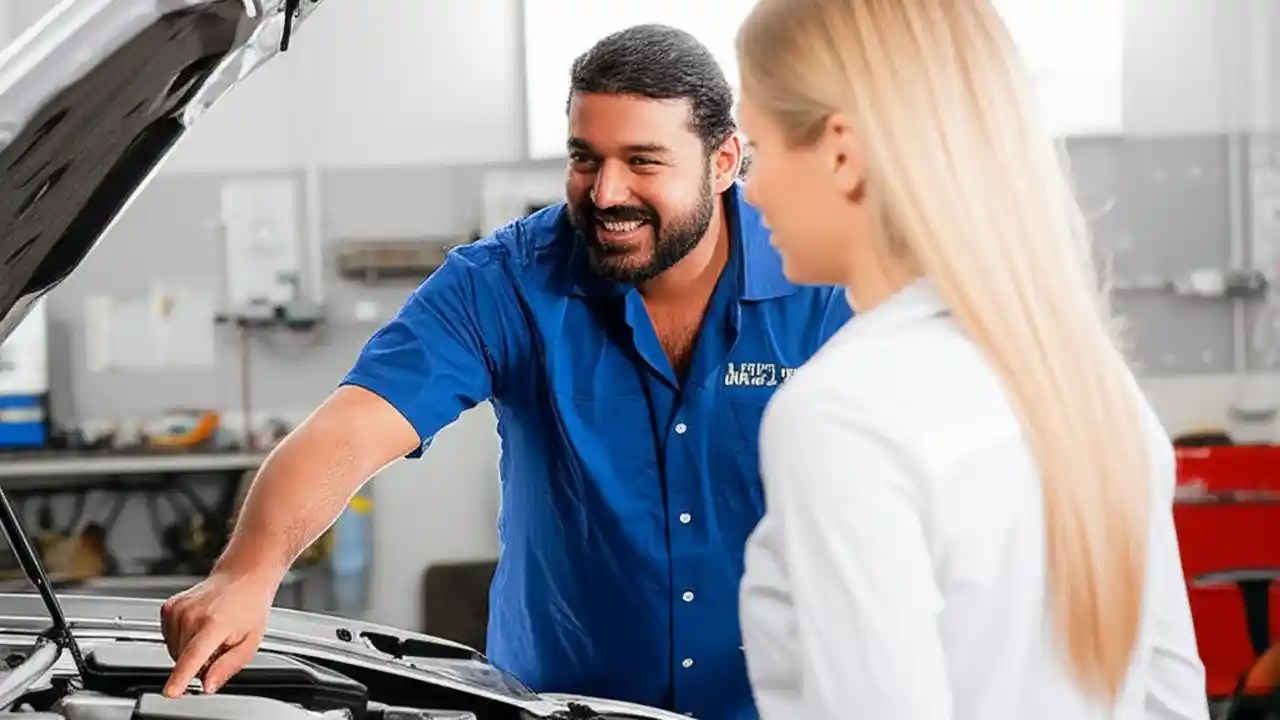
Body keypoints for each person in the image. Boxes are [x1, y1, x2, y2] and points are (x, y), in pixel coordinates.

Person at [158, 23, 851, 720]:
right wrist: (247, 570)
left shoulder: (826, 276)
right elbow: (358, 422)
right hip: (565, 704)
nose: (607, 192)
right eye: (586, 158)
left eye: (643, 162)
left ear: (724, 159)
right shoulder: (506, 281)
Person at [730, 1, 1209, 719]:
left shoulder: (840, 413)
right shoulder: (1088, 378)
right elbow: (1172, 703)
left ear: (841, 151)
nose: (752, 188)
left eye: (759, 147)